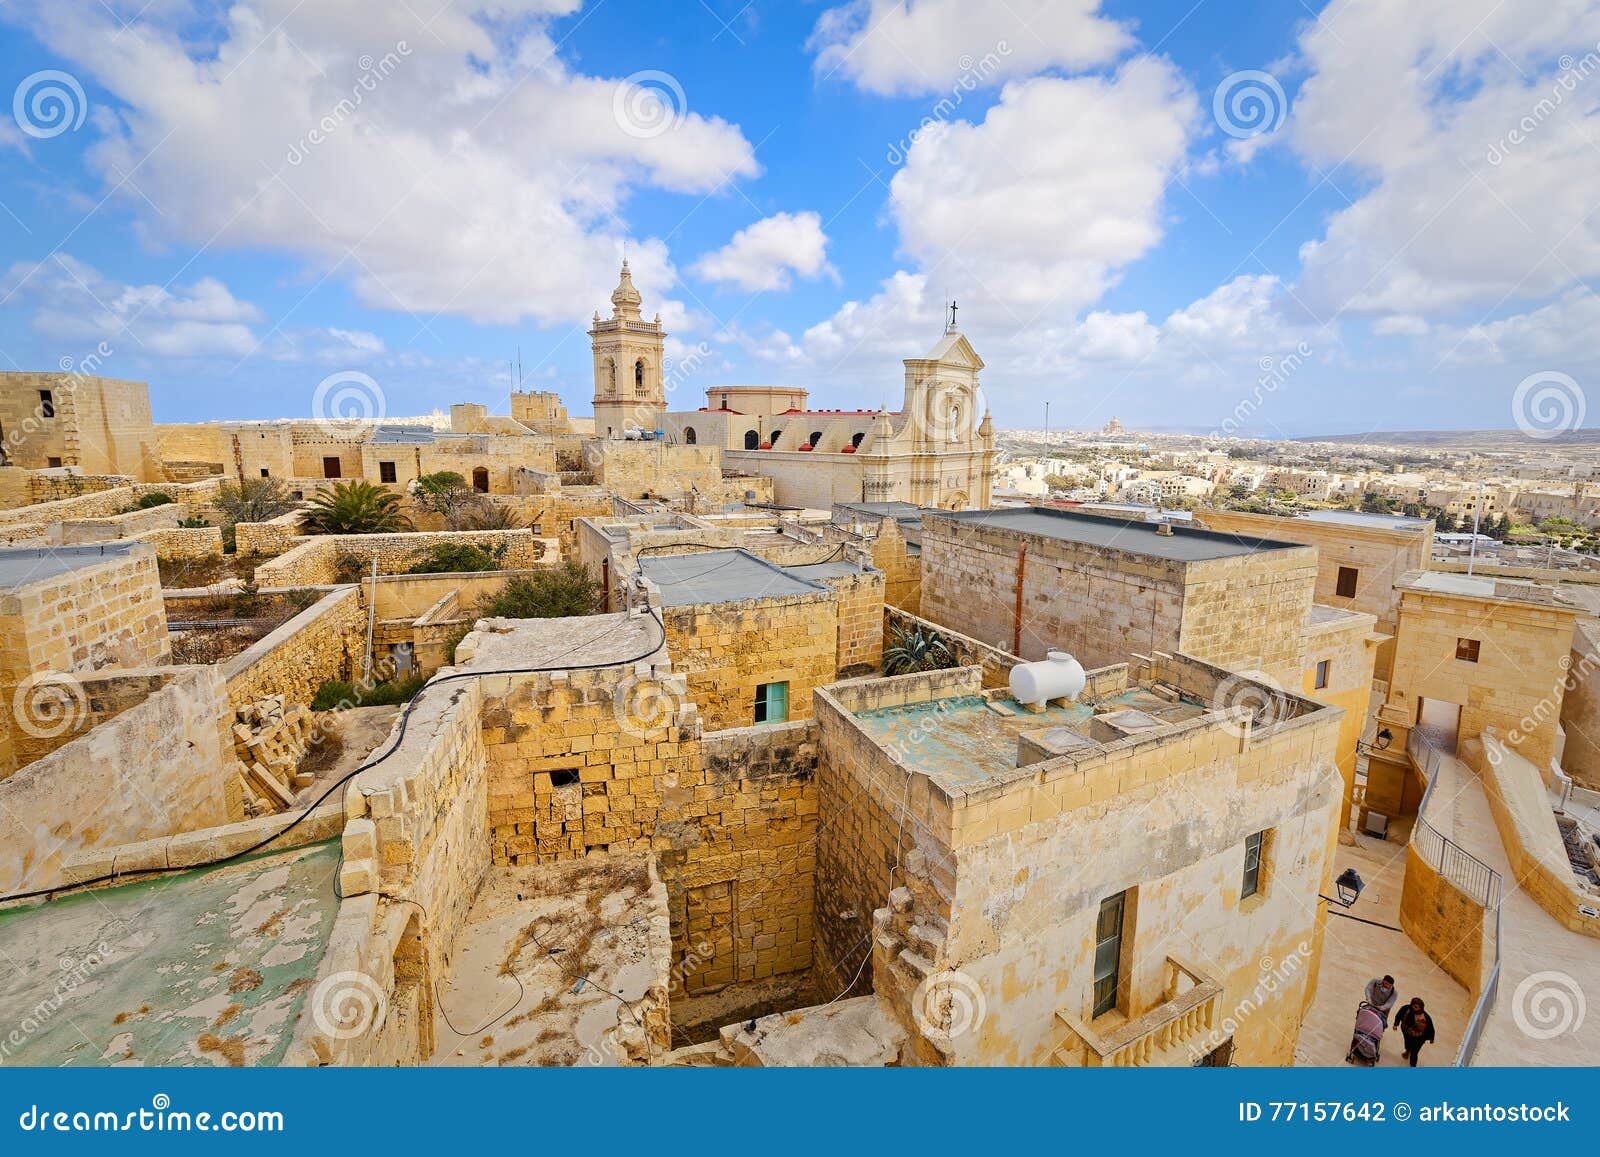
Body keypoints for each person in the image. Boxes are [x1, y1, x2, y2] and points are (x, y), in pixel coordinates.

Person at [1395, 997, 1435, 1066]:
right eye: (1416, 1007)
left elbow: (1430, 1028)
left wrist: (1432, 1038)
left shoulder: (1425, 1017)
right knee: (1407, 1043)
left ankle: (1412, 1066)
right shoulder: (1406, 1009)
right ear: (1412, 1005)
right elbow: (1399, 1015)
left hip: (1419, 1038)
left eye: (1420, 1007)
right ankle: (1407, 1051)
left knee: (1414, 1052)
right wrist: (1396, 1024)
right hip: (1406, 1032)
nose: (1418, 1009)